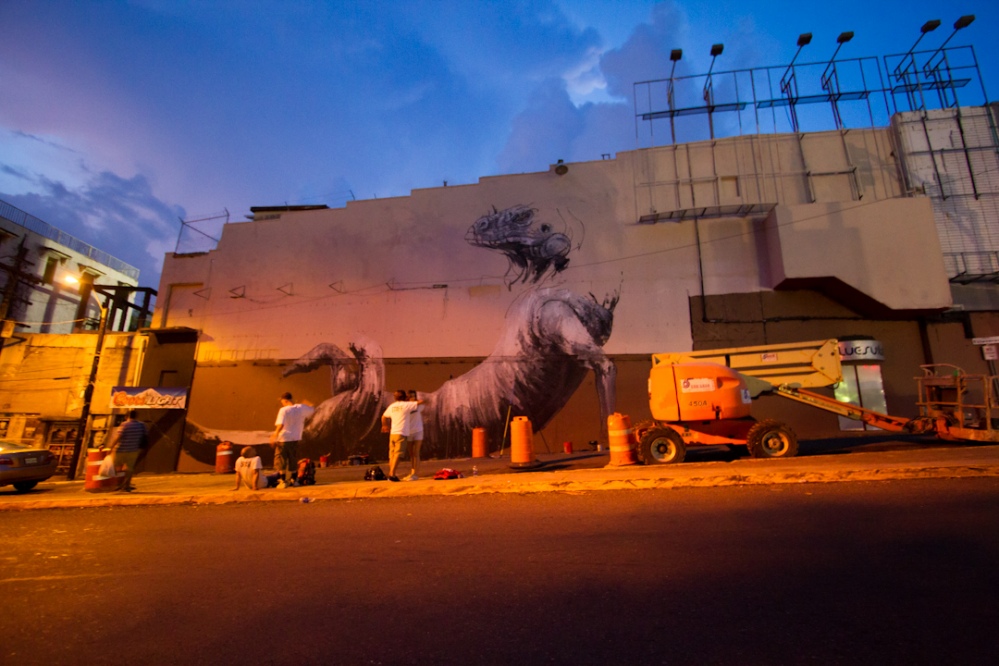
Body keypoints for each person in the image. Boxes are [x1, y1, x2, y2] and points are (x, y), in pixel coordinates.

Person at [271, 392, 315, 485]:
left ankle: (282, 481)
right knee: (292, 459)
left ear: (285, 400)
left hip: (284, 438)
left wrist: (274, 435)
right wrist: (306, 402)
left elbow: (281, 425)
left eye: (282, 401)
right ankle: (294, 480)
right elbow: (313, 408)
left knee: (281, 459)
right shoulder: (301, 408)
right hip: (295, 438)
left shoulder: (283, 410)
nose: (281, 403)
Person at [380, 389, 423, 482]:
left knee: (394, 453)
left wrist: (384, 425)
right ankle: (392, 474)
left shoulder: (393, 406)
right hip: (402, 432)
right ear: (405, 397)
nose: (410, 398)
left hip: (396, 432)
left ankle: (397, 473)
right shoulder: (406, 405)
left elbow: (383, 416)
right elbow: (421, 402)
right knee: (398, 454)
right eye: (409, 396)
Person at [106, 409, 147, 492]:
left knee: (117, 467)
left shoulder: (124, 425)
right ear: (136, 416)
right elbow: (145, 436)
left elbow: (118, 437)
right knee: (129, 469)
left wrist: (111, 447)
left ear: (127, 416)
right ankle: (126, 485)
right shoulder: (142, 425)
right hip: (134, 450)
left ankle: (118, 484)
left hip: (121, 449)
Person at [404, 390, 424, 481]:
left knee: (416, 452)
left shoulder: (419, 405)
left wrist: (414, 402)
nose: (411, 398)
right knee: (411, 454)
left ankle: (416, 474)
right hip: (408, 431)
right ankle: (412, 472)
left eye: (413, 396)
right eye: (410, 396)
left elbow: (422, 403)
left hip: (418, 430)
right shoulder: (404, 406)